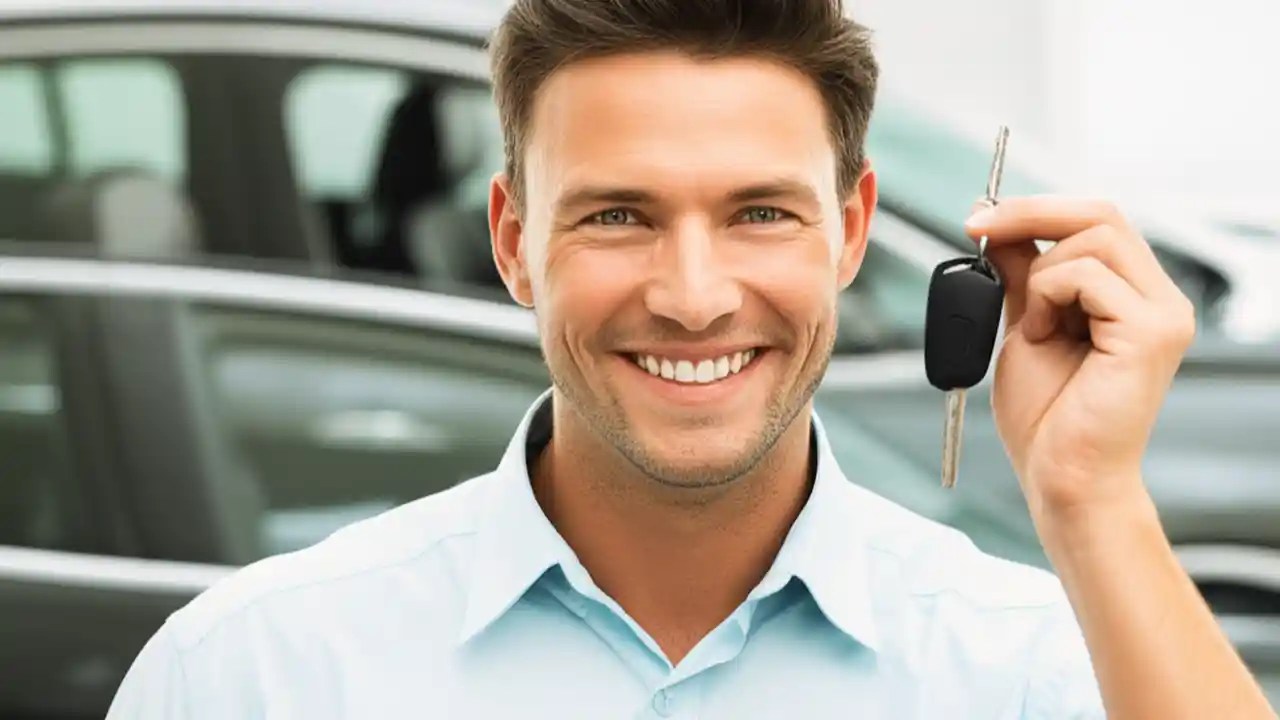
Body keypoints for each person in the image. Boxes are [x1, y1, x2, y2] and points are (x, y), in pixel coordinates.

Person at [108, 1, 1276, 718]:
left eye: (760, 213)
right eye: (616, 216)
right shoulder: (252, 676)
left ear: (851, 231)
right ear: (514, 242)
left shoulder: (1033, 669)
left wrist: (1089, 502)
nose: (692, 296)